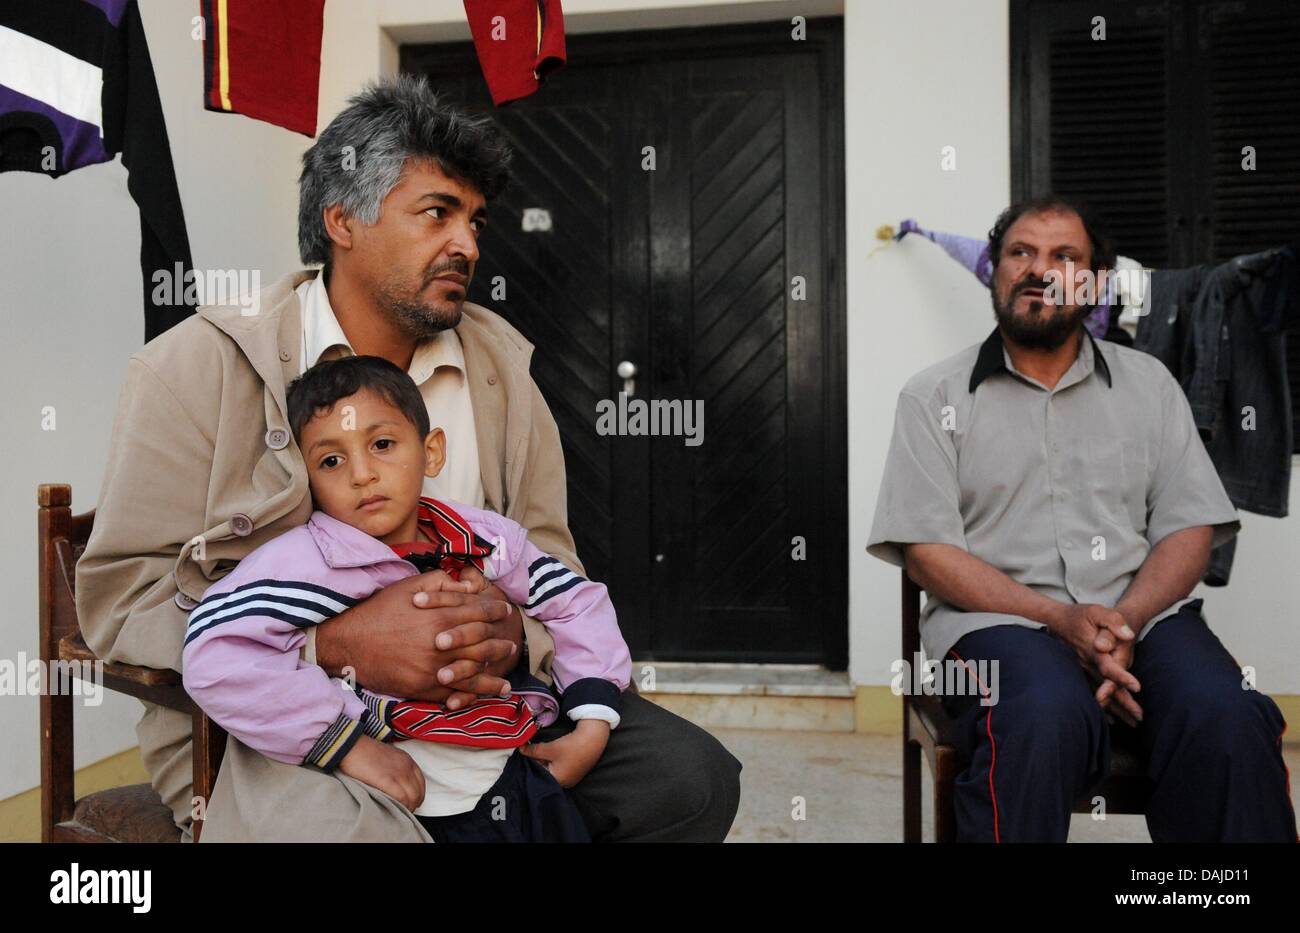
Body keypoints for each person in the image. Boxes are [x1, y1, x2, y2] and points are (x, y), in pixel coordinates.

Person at [76, 73, 741, 842]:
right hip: (273, 728)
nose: (468, 243)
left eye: (474, 220)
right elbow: (122, 598)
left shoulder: (501, 369)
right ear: (342, 220)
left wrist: (503, 633)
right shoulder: (198, 366)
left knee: (689, 783)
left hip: (492, 700)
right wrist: (331, 643)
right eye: (437, 213)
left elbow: (552, 561)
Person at [868, 194, 1296, 842]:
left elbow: (1189, 526)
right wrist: (1059, 619)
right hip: (995, 625)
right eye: (1021, 253)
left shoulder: (1151, 385)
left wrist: (1122, 620)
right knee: (1039, 715)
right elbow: (928, 552)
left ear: (1093, 282)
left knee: (1228, 718)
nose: (1039, 269)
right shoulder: (933, 398)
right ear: (996, 272)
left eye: (1064, 256)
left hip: (1142, 618)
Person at [183, 354, 633, 841]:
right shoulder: (304, 564)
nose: (361, 474)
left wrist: (592, 722)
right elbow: (214, 652)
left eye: (382, 444)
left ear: (431, 451)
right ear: (305, 480)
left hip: (514, 777)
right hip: (392, 798)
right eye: (331, 460)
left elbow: (575, 603)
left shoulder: (486, 540)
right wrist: (345, 746)